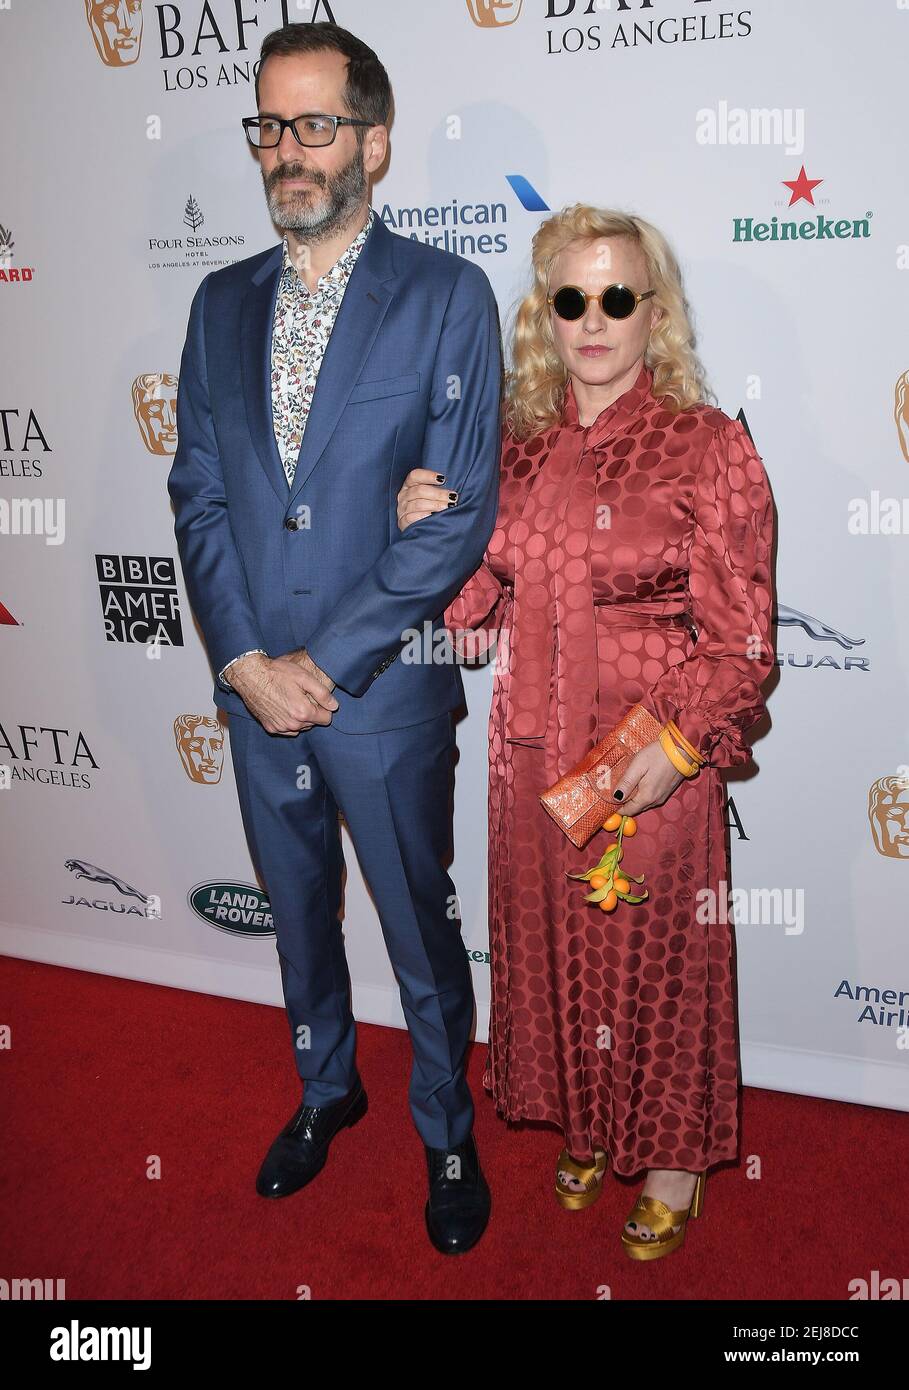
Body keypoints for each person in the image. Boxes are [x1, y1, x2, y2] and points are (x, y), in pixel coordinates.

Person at [166, 22, 503, 1255]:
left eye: (312, 125)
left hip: (389, 689)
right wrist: (249, 658)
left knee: (418, 922)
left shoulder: (448, 296)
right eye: (268, 125)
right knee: (297, 905)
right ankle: (324, 1086)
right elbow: (199, 491)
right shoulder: (218, 303)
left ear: (375, 140)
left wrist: (329, 659)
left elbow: (454, 518)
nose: (286, 152)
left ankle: (445, 1126)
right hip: (257, 689)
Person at [396, 204, 776, 1260]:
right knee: (557, 954)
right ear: (544, 314)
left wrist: (680, 745)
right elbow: (472, 620)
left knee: (655, 959)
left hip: (652, 750)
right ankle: (592, 1124)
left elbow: (743, 640)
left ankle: (668, 1160)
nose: (594, 319)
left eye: (618, 296)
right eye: (572, 298)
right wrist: (428, 533)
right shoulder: (512, 452)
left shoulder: (708, 446)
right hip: (532, 756)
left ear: (654, 312)